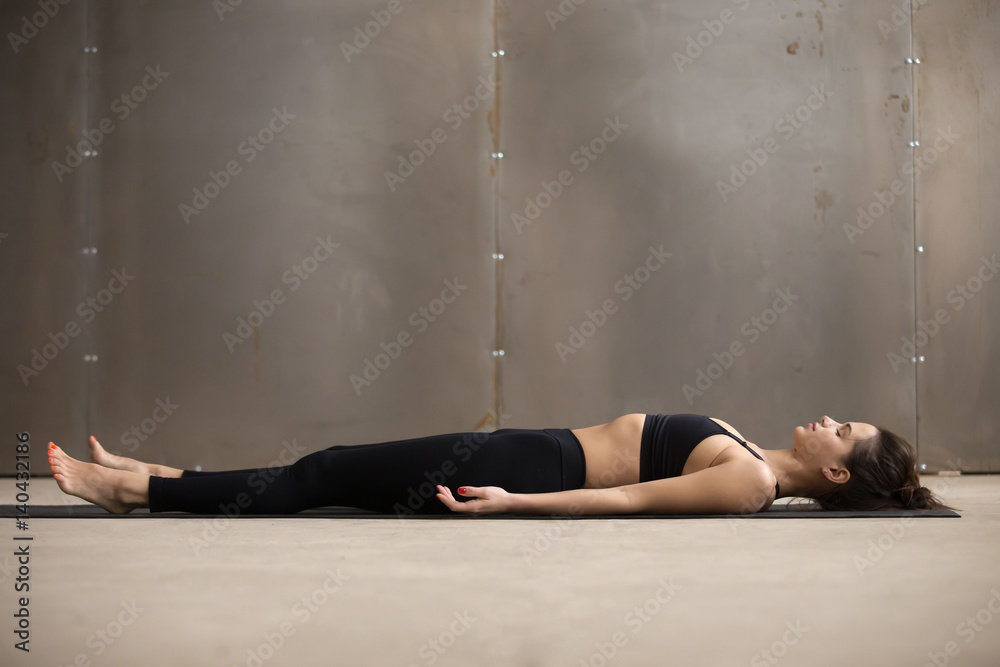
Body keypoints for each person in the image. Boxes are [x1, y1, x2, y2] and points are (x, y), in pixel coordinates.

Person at [47, 413, 953, 516]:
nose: (829, 419)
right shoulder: (757, 457)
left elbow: (632, 499)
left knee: (323, 475)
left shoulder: (752, 481)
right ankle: (155, 475)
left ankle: (130, 488)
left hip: (535, 464)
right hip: (538, 444)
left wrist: (513, 503)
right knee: (328, 470)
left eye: (846, 431)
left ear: (838, 473)